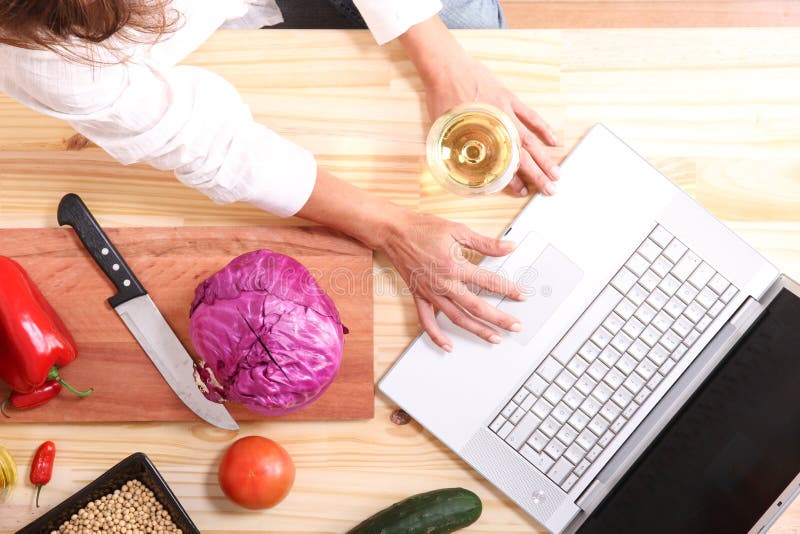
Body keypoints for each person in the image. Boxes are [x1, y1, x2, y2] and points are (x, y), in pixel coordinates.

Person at [0, 0, 559, 352]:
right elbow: (208, 142)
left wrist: (443, 58)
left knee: (475, 26)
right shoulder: (41, 57)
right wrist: (392, 228)